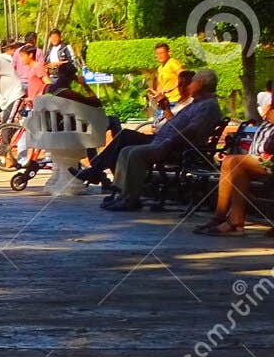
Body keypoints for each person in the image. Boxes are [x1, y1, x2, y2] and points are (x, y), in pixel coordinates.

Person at [103, 70, 223, 211]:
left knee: (135, 153)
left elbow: (193, 130)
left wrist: (170, 142)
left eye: (192, 82)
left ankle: (131, 199)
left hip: (179, 149)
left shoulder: (208, 106)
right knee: (125, 151)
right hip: (165, 142)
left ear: (200, 84)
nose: (190, 85)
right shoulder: (197, 103)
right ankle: (123, 195)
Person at [194, 118, 274, 236]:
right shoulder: (267, 120)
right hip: (264, 158)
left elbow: (269, 147)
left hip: (268, 160)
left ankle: (235, 222)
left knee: (236, 162)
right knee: (228, 160)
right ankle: (219, 218)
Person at [147, 42, 184, 120]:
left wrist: (172, 88)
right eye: (157, 54)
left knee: (162, 126)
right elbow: (161, 85)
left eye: (161, 53)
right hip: (165, 102)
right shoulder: (160, 68)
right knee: (156, 126)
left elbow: (184, 76)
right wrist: (156, 93)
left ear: (168, 52)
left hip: (175, 100)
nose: (159, 56)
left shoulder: (172, 63)